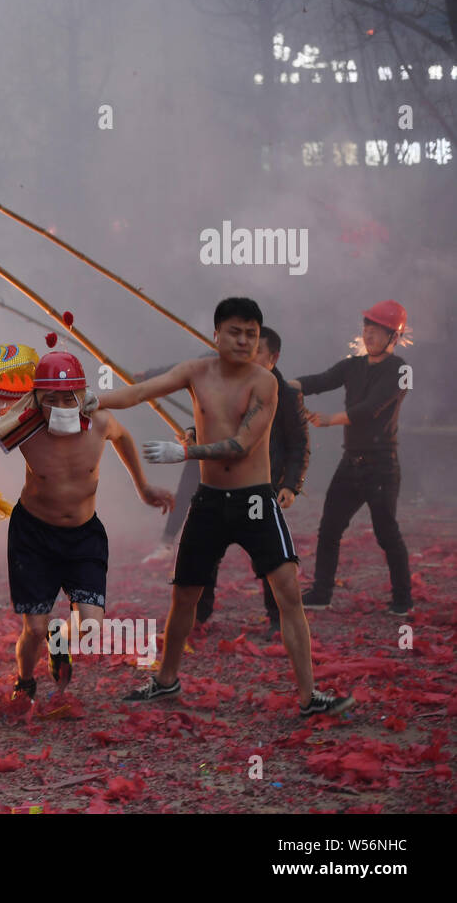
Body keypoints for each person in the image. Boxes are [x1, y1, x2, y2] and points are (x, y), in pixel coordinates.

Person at [98, 297, 352, 717]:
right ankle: (166, 680)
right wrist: (93, 402)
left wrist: (185, 453)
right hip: (211, 502)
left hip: (254, 500)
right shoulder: (196, 371)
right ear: (216, 335)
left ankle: (310, 696)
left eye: (251, 334)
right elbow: (140, 392)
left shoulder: (265, 383)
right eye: (235, 331)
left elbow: (240, 446)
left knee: (288, 591)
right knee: (184, 596)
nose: (243, 340)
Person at [0, 351, 175, 700]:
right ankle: (25, 680)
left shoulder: (99, 421)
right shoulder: (21, 427)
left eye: (68, 398)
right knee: (34, 628)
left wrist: (143, 488)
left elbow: (124, 437)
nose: (59, 407)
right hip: (33, 535)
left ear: (82, 396)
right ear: (36, 399)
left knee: (90, 625)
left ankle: (60, 640)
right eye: (50, 399)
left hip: (83, 534)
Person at [288, 300, 412, 614]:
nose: (369, 334)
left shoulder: (401, 370)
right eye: (367, 327)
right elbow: (319, 381)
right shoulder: (351, 366)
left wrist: (331, 419)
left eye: (378, 329)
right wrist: (283, 384)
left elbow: (371, 408)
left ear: (393, 337)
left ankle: (403, 599)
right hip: (351, 463)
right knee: (329, 528)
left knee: (386, 533)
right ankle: (321, 593)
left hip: (381, 467)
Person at [196, 326, 309, 632]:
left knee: (270, 556)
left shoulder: (285, 395)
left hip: (261, 487)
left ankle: (277, 617)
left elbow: (299, 444)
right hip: (221, 484)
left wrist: (290, 485)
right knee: (205, 553)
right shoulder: (227, 385)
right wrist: (192, 437)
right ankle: (198, 614)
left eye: (258, 351)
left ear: (273, 358)